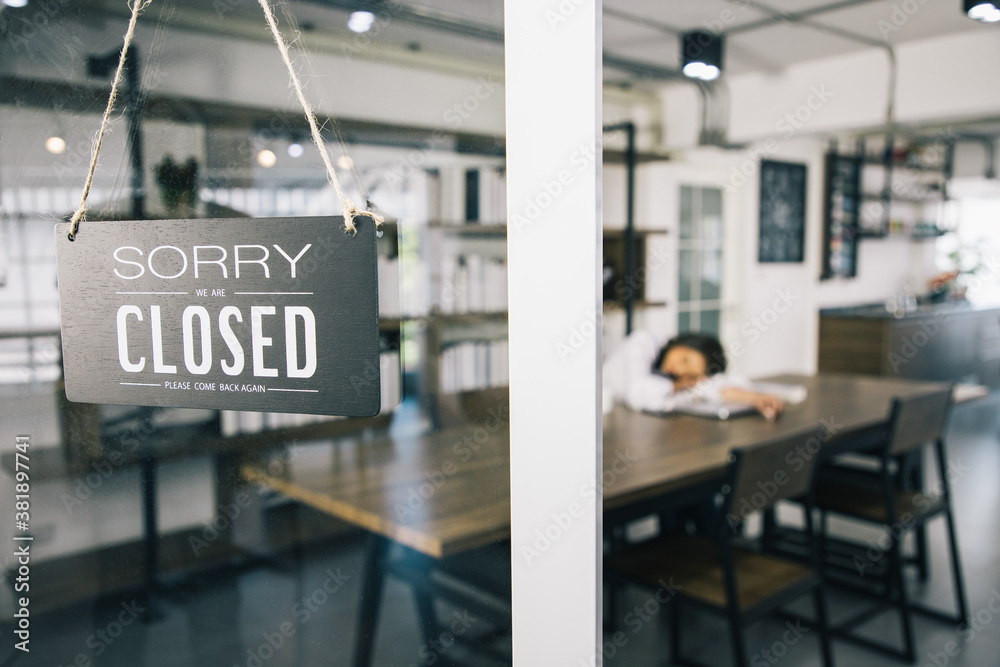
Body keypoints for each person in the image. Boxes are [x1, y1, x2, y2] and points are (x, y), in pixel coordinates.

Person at [603, 330, 783, 420]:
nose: (679, 369)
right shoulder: (641, 342)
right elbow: (636, 393)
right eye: (685, 360)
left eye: (689, 372)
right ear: (683, 343)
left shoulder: (675, 378)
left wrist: (756, 398)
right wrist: (680, 385)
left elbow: (713, 386)